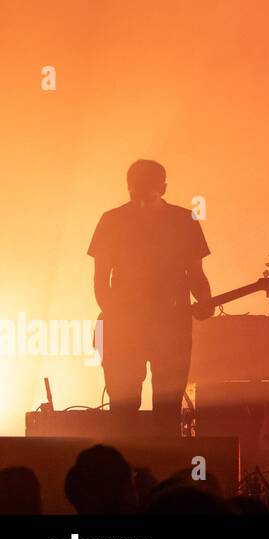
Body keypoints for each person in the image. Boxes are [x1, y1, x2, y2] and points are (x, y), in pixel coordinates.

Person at [88, 160, 212, 435]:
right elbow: (100, 280)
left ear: (163, 188)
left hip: (170, 327)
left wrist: (205, 299)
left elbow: (196, 274)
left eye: (148, 188)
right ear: (129, 188)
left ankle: (158, 467)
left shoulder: (183, 220)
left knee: (166, 409)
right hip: (130, 329)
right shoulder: (112, 220)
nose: (141, 196)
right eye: (137, 189)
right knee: (123, 410)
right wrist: (115, 318)